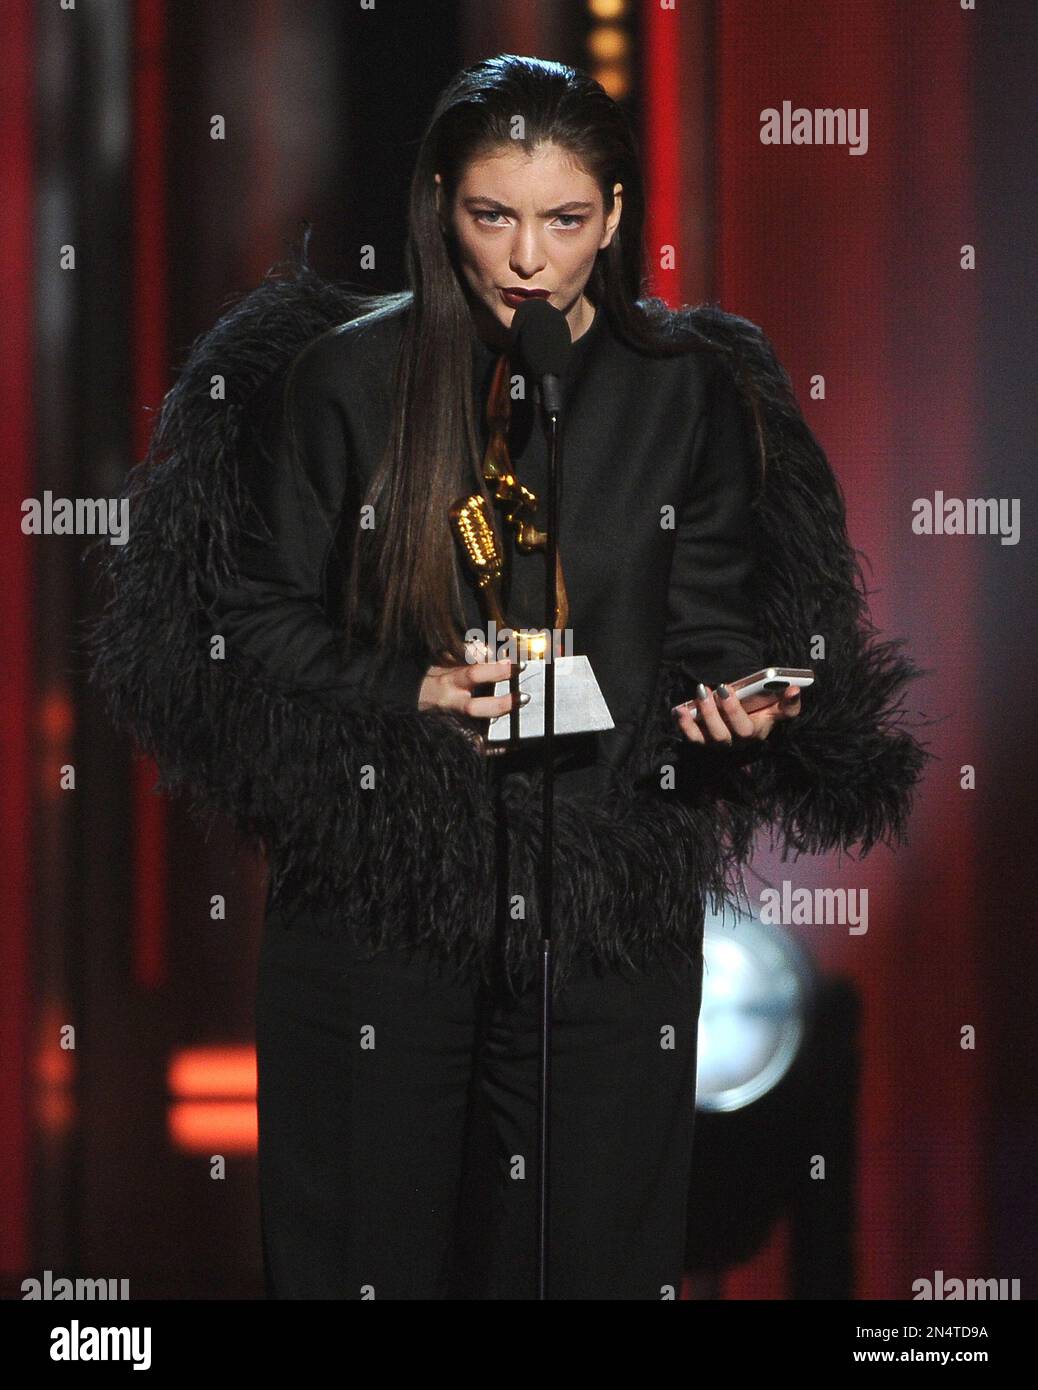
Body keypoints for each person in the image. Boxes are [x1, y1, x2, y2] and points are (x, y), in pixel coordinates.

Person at [86, 55, 932, 1300]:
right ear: (440, 209)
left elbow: (706, 624)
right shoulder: (343, 383)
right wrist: (409, 691)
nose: (529, 257)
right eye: (494, 217)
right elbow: (238, 621)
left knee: (588, 1260)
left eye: (565, 220)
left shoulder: (687, 391)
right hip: (380, 901)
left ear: (616, 219)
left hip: (600, 903)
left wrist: (732, 710)